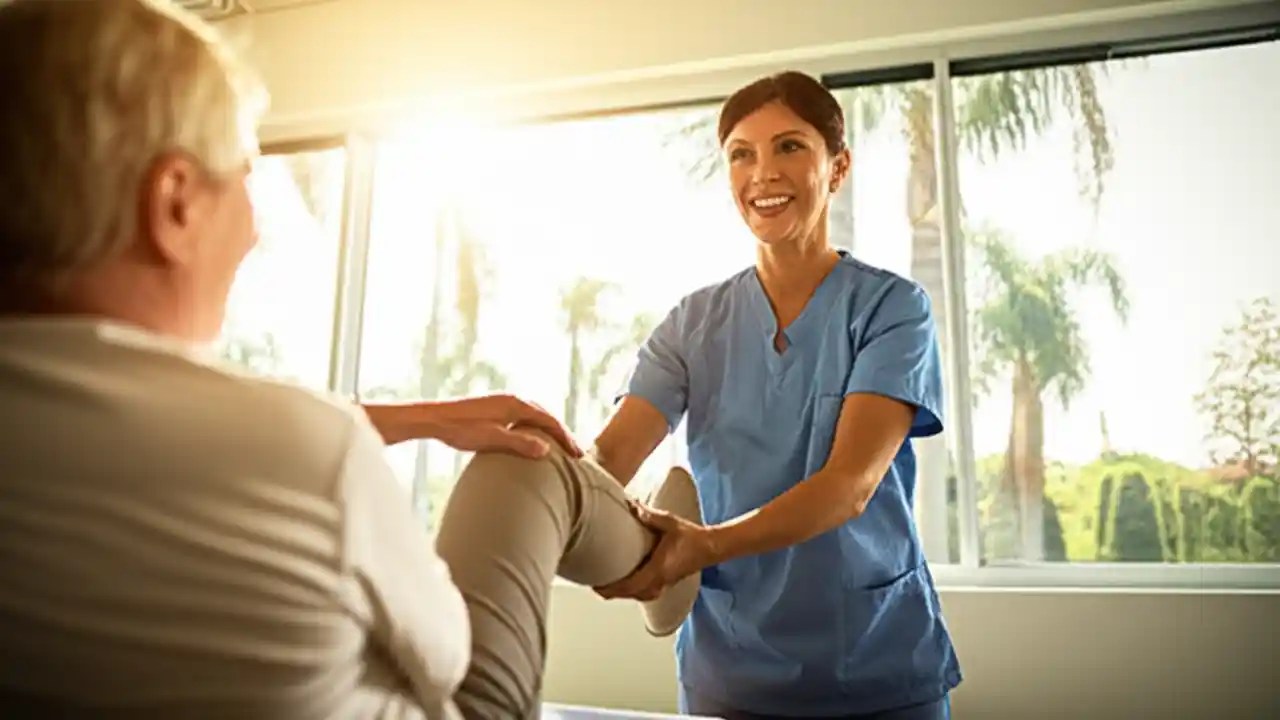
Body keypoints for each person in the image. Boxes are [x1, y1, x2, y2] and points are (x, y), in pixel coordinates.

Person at [0, 2, 701, 719]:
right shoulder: (317, 456)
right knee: (530, 467)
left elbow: (127, 432)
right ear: (175, 205)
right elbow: (444, 656)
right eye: (243, 175)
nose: (254, 232)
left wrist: (422, 419)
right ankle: (657, 556)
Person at [586, 71, 963, 718]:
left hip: (878, 668)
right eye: (742, 153)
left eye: (789, 147)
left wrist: (702, 546)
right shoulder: (692, 325)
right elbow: (611, 457)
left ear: (836, 168)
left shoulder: (892, 310)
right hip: (729, 677)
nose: (763, 172)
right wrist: (560, 516)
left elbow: (850, 484)